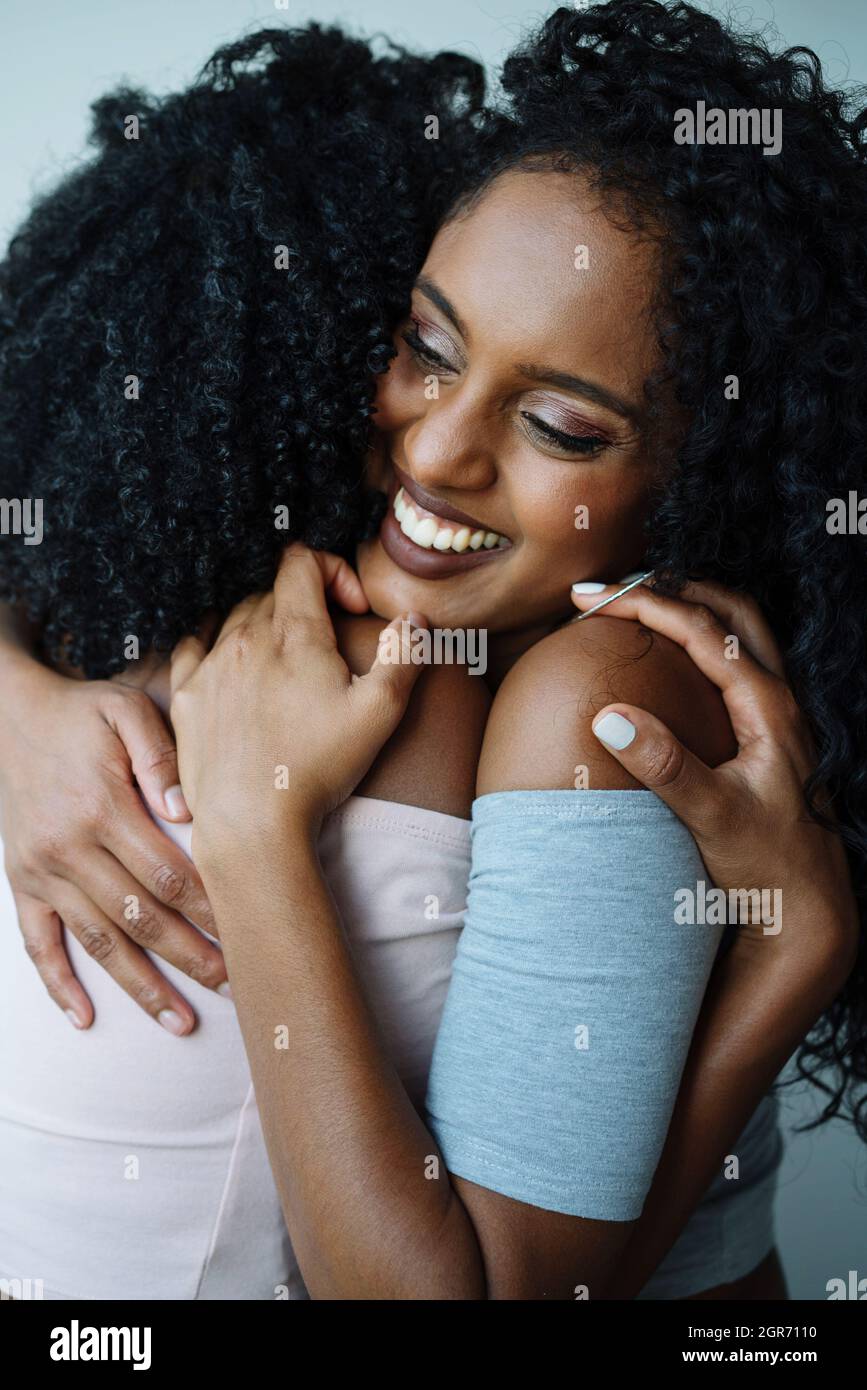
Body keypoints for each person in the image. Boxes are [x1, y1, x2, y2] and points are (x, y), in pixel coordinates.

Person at [0, 3, 863, 1299]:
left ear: (705, 474)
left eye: (562, 426)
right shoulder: (330, 592)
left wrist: (251, 829)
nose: (437, 450)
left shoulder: (612, 693)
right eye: (427, 347)